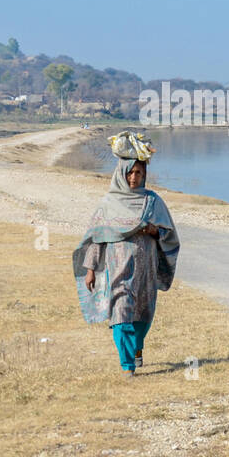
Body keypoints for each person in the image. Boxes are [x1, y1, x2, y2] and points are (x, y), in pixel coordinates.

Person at [73, 157, 179, 378]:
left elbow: (168, 234)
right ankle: (127, 365)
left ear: (144, 175)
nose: (133, 177)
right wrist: (91, 268)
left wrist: (153, 231)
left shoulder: (152, 201)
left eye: (138, 173)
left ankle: (137, 348)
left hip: (146, 271)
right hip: (118, 271)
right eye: (129, 173)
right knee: (121, 313)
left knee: (143, 314)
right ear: (120, 174)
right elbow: (97, 238)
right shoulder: (108, 204)